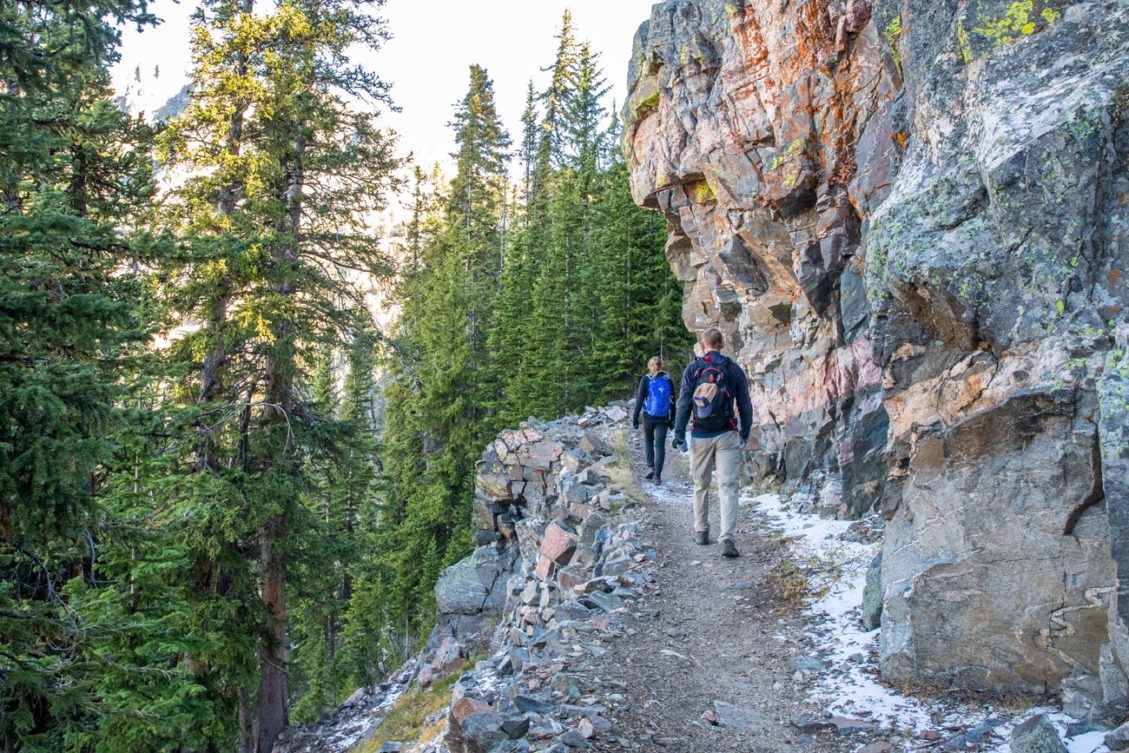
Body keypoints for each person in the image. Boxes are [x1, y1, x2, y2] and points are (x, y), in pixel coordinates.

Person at [671, 328, 752, 558]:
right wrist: (744, 432)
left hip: (700, 435)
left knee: (700, 484)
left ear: (702, 344)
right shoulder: (732, 369)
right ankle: (727, 538)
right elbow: (744, 404)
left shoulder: (694, 369)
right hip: (727, 433)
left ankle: (701, 530)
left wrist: (679, 433)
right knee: (728, 486)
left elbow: (685, 403)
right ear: (722, 343)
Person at [632, 356, 675, 486]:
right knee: (660, 446)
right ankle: (657, 476)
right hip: (663, 418)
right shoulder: (668, 380)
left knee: (649, 441)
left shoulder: (646, 379)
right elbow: (673, 401)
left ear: (649, 367)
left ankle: (650, 467)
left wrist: (635, 418)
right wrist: (672, 419)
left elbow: (639, 400)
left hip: (648, 417)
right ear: (662, 366)